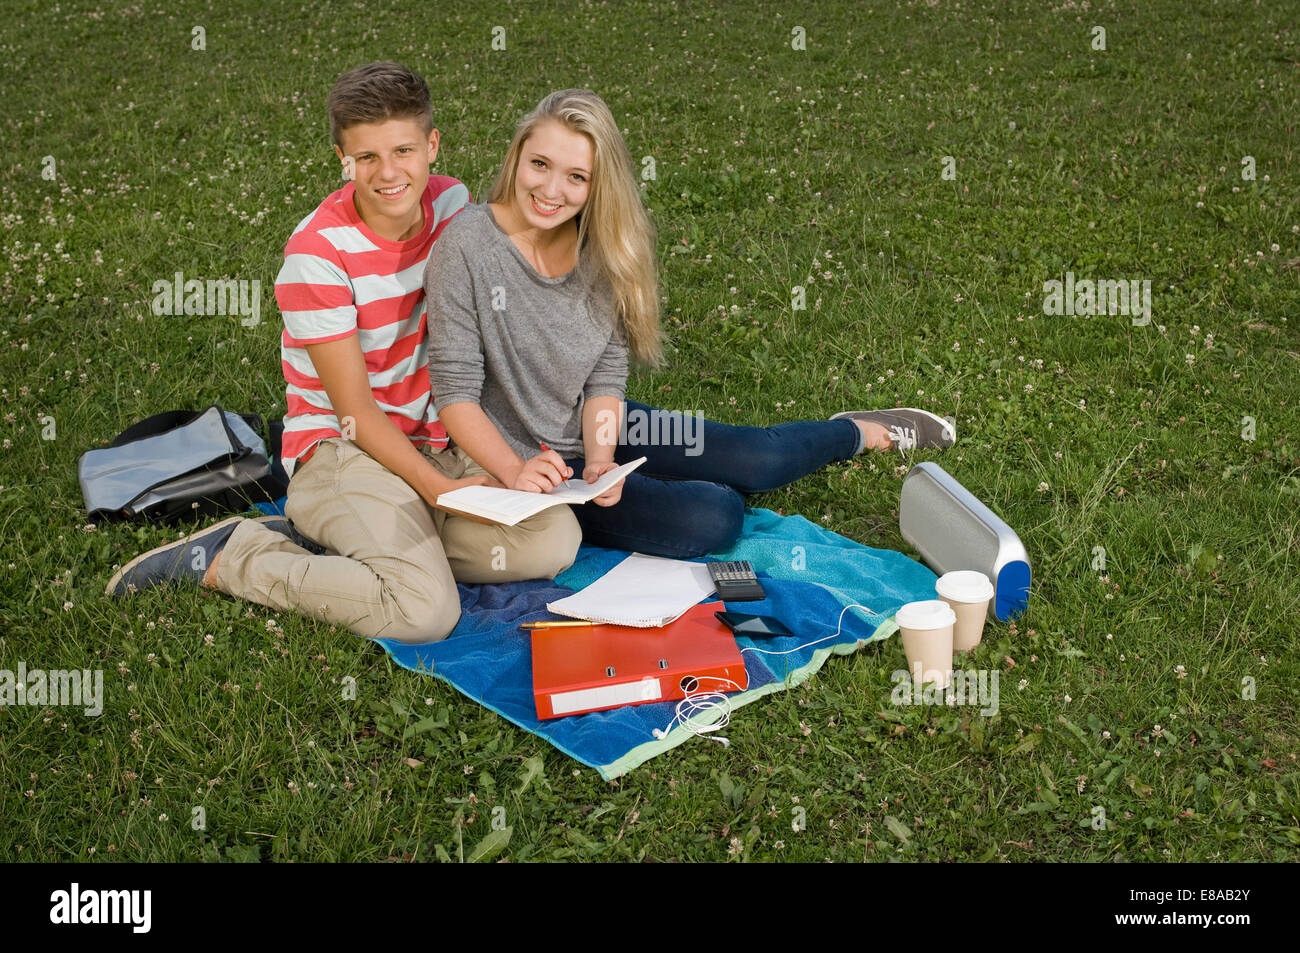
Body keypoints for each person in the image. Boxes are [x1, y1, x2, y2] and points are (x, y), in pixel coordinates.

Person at [105, 63, 581, 641]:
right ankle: (239, 553)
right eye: (367, 157)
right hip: (343, 448)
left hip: (435, 442)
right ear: (343, 159)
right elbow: (354, 410)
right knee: (424, 613)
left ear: (432, 145)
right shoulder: (317, 257)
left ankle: (366, 540)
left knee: (553, 541)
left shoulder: (453, 203)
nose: (388, 173)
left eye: (404, 150)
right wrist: (438, 491)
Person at [424, 89, 955, 559]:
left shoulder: (601, 247)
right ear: (517, 155)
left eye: (576, 176)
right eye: (539, 164)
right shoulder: (467, 246)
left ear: (597, 184)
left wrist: (602, 461)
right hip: (525, 470)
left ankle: (857, 432)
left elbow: (605, 377)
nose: (552, 190)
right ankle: (672, 489)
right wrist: (517, 472)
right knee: (714, 515)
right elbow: (455, 394)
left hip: (600, 427)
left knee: (759, 458)